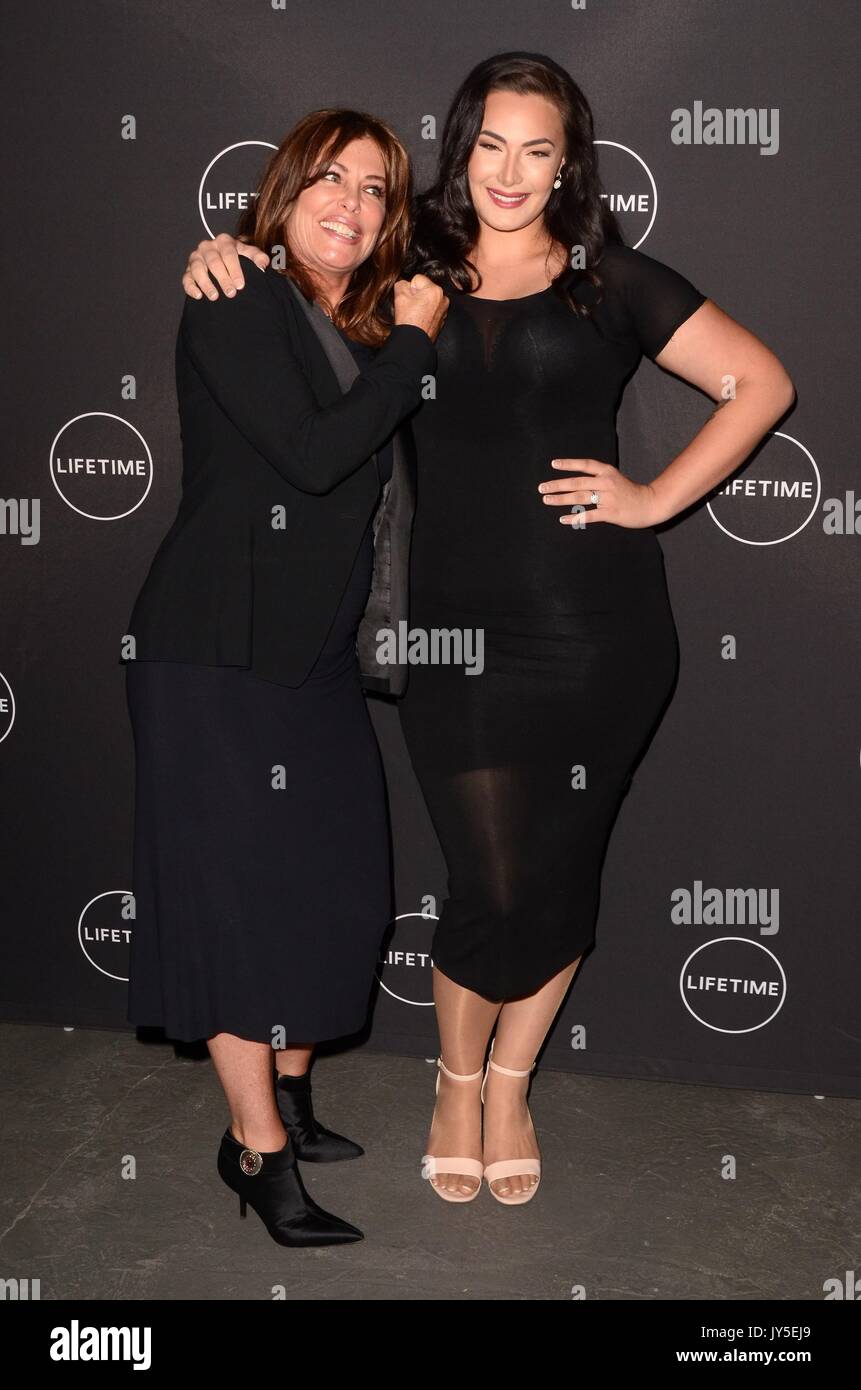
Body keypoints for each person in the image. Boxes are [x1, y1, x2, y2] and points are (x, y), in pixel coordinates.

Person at [180, 53, 794, 1207]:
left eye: (539, 149)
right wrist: (230, 253)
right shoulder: (404, 269)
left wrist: (654, 497)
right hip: (453, 639)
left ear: (570, 163)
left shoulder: (611, 283)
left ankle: (505, 1083)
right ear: (461, 150)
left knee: (560, 876)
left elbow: (760, 382)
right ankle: (451, 1076)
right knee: (487, 880)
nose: (511, 173)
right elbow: (303, 281)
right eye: (490, 145)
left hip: (600, 634)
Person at [124, 106, 446, 1245]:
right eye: (331, 179)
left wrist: (403, 335)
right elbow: (314, 458)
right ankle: (255, 1152)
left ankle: (290, 1095)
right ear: (283, 190)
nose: (352, 205)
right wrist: (413, 343)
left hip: (310, 658)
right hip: (214, 648)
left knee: (341, 890)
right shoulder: (238, 295)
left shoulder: (350, 323)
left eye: (375, 191)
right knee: (234, 909)